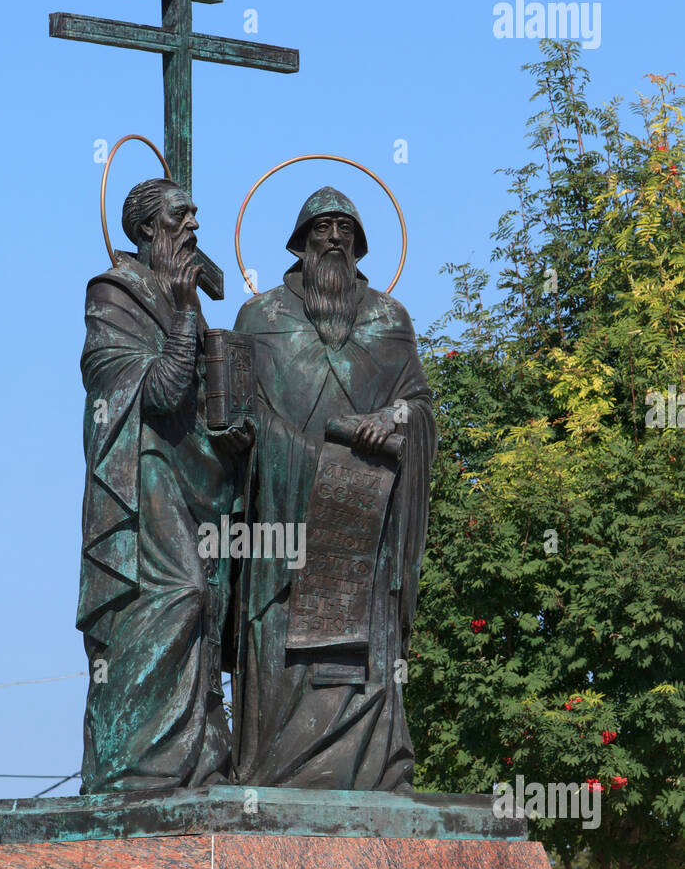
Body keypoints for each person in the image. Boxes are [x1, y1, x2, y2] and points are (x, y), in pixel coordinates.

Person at [232, 186, 436, 790]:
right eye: (322, 228)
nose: (335, 238)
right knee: (281, 649)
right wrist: (309, 459)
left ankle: (372, 774)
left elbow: (420, 407)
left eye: (346, 229)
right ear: (299, 243)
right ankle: (273, 776)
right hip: (283, 528)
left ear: (361, 244)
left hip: (364, 527)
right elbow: (237, 417)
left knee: (364, 656)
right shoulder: (259, 318)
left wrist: (392, 419)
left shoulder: (390, 320)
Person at [77, 178, 248, 791]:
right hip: (142, 476)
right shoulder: (113, 294)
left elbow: (202, 404)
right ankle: (136, 766)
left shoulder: (190, 299)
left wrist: (235, 432)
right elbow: (155, 392)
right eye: (181, 215)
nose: (194, 226)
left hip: (201, 479)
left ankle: (201, 758)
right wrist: (182, 314)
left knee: (212, 608)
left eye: (196, 214)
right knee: (181, 596)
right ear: (148, 228)